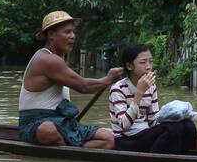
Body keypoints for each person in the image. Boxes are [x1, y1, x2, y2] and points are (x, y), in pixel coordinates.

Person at [18, 11, 123, 149]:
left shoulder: (59, 58)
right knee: (47, 130)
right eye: (67, 32)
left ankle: (70, 148)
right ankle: (70, 149)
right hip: (35, 124)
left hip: (63, 122)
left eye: (73, 32)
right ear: (51, 35)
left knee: (109, 139)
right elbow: (83, 86)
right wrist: (108, 79)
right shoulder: (46, 59)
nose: (72, 36)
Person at [108, 44, 196, 154]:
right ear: (130, 66)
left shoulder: (151, 86)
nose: (148, 66)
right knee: (173, 129)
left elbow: (153, 120)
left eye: (151, 61)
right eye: (143, 62)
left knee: (187, 125)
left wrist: (175, 117)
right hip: (126, 140)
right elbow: (123, 126)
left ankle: (181, 156)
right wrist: (139, 92)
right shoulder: (118, 89)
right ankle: (156, 160)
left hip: (146, 134)